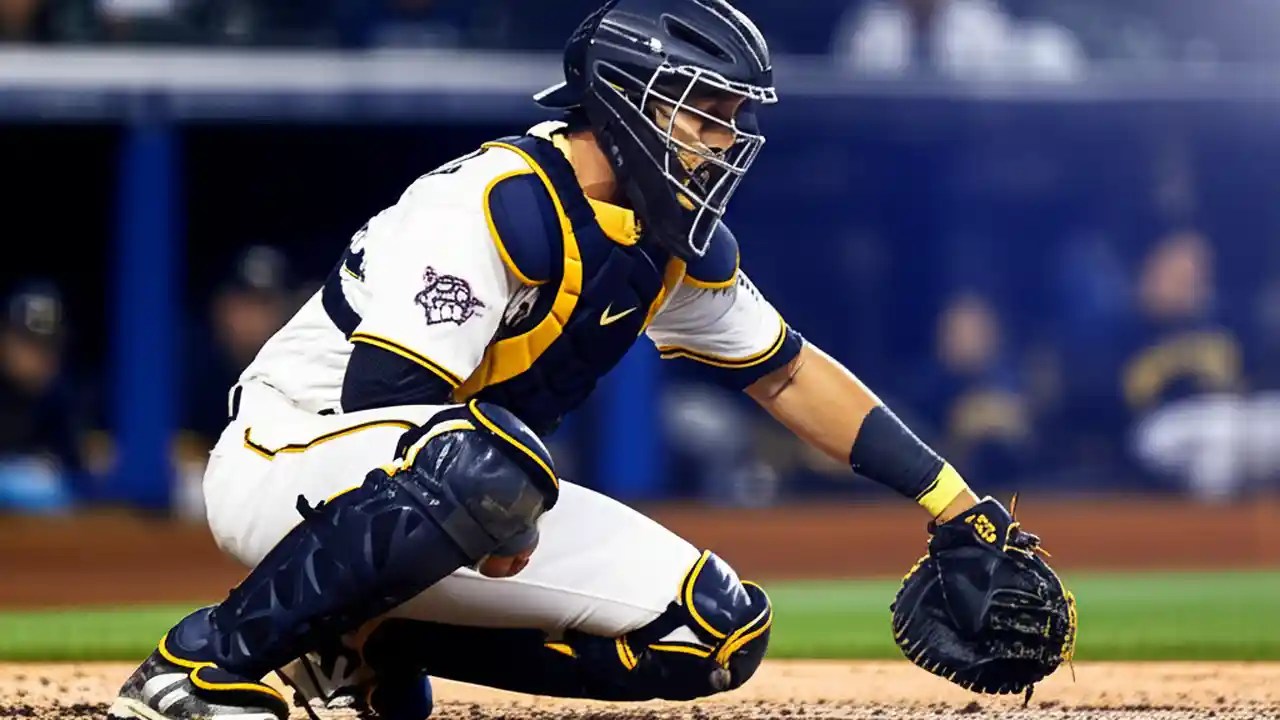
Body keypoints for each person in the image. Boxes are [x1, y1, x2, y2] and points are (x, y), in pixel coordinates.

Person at [108, 2, 1072, 719]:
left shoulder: (661, 240)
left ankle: (353, 639)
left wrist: (956, 504)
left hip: (466, 487)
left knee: (717, 629)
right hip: (289, 461)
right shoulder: (492, 201)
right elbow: (387, 399)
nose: (724, 138)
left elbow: (786, 371)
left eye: (732, 116)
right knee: (489, 464)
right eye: (704, 111)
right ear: (625, 100)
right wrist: (489, 519)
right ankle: (200, 665)